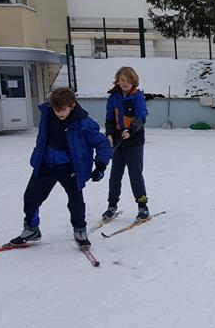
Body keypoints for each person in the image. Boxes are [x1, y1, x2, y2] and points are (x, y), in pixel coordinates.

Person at [10, 87, 112, 247]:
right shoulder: (47, 115)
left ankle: (80, 230)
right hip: (46, 164)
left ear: (72, 105)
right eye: (56, 109)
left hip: (70, 168)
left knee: (75, 202)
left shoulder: (83, 123)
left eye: (63, 109)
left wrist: (100, 166)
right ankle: (31, 229)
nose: (59, 113)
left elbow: (102, 144)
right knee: (30, 197)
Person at [102, 66, 150, 222]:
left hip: (134, 140)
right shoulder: (113, 97)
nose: (125, 83)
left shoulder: (138, 96)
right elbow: (109, 119)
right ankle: (112, 205)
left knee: (135, 173)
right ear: (118, 80)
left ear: (133, 81)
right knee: (115, 174)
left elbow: (141, 116)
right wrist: (109, 134)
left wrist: (131, 130)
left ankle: (142, 206)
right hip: (118, 138)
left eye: (128, 80)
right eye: (122, 80)